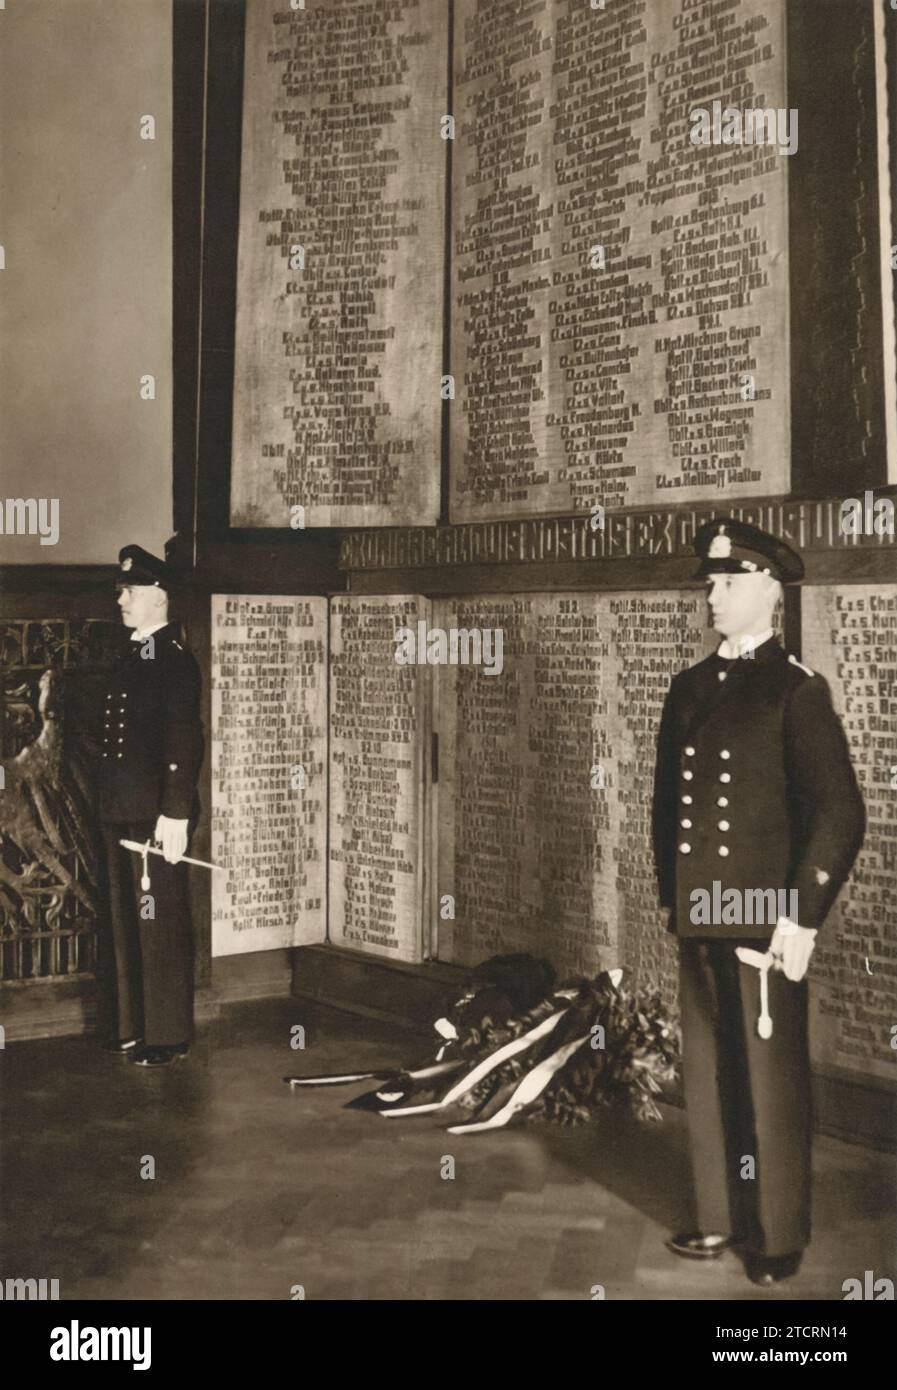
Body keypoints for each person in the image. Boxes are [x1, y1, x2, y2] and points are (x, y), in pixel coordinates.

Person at [652, 518, 865, 1286]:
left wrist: (801, 917)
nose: (712, 595)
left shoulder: (795, 691)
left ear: (768, 591)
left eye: (728, 582)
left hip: (764, 917)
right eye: (711, 583)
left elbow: (840, 812)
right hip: (702, 906)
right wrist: (671, 895)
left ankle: (777, 1234)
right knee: (707, 1064)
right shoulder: (689, 686)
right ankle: (717, 1214)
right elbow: (665, 807)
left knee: (769, 1077)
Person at [95, 544, 204, 1068]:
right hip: (121, 807)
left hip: (157, 811)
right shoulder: (133, 653)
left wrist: (177, 812)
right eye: (121, 590)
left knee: (158, 921)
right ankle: (129, 1025)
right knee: (124, 920)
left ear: (158, 597)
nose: (122, 599)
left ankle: (166, 1033)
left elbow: (184, 739)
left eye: (130, 591)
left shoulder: (173, 660)